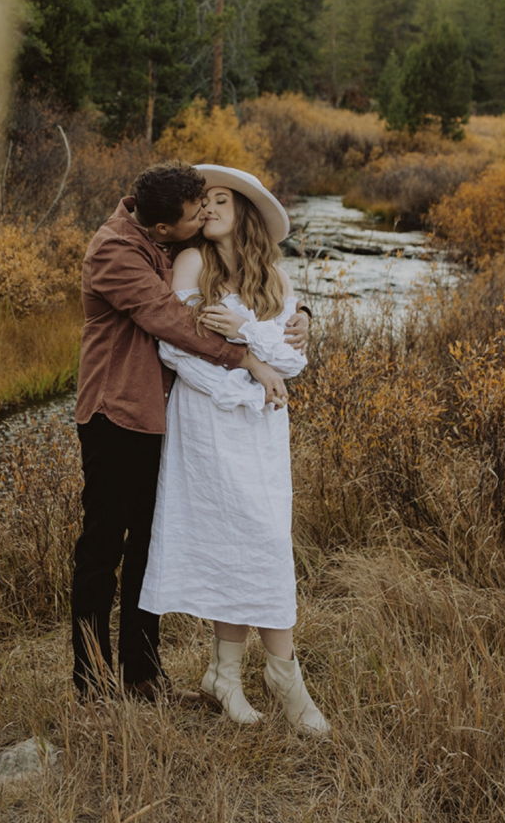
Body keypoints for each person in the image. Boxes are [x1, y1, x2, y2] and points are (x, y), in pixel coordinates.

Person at [71, 161, 310, 703]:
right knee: (102, 552)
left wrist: (302, 311)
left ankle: (142, 679)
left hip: (156, 417)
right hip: (115, 413)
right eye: (196, 212)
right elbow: (172, 321)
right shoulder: (115, 250)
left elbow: (242, 290)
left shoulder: (164, 232)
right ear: (162, 230)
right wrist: (248, 357)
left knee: (147, 550)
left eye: (211, 205)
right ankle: (91, 686)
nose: (204, 214)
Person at [138, 164, 330, 736]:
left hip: (265, 428)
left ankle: (225, 673)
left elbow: (290, 364)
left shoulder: (272, 274)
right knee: (242, 538)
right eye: (207, 201)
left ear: (244, 211)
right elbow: (179, 350)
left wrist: (251, 330)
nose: (212, 208)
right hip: (213, 418)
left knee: (262, 539)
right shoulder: (194, 262)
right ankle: (282, 677)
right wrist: (250, 376)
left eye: (224, 200)